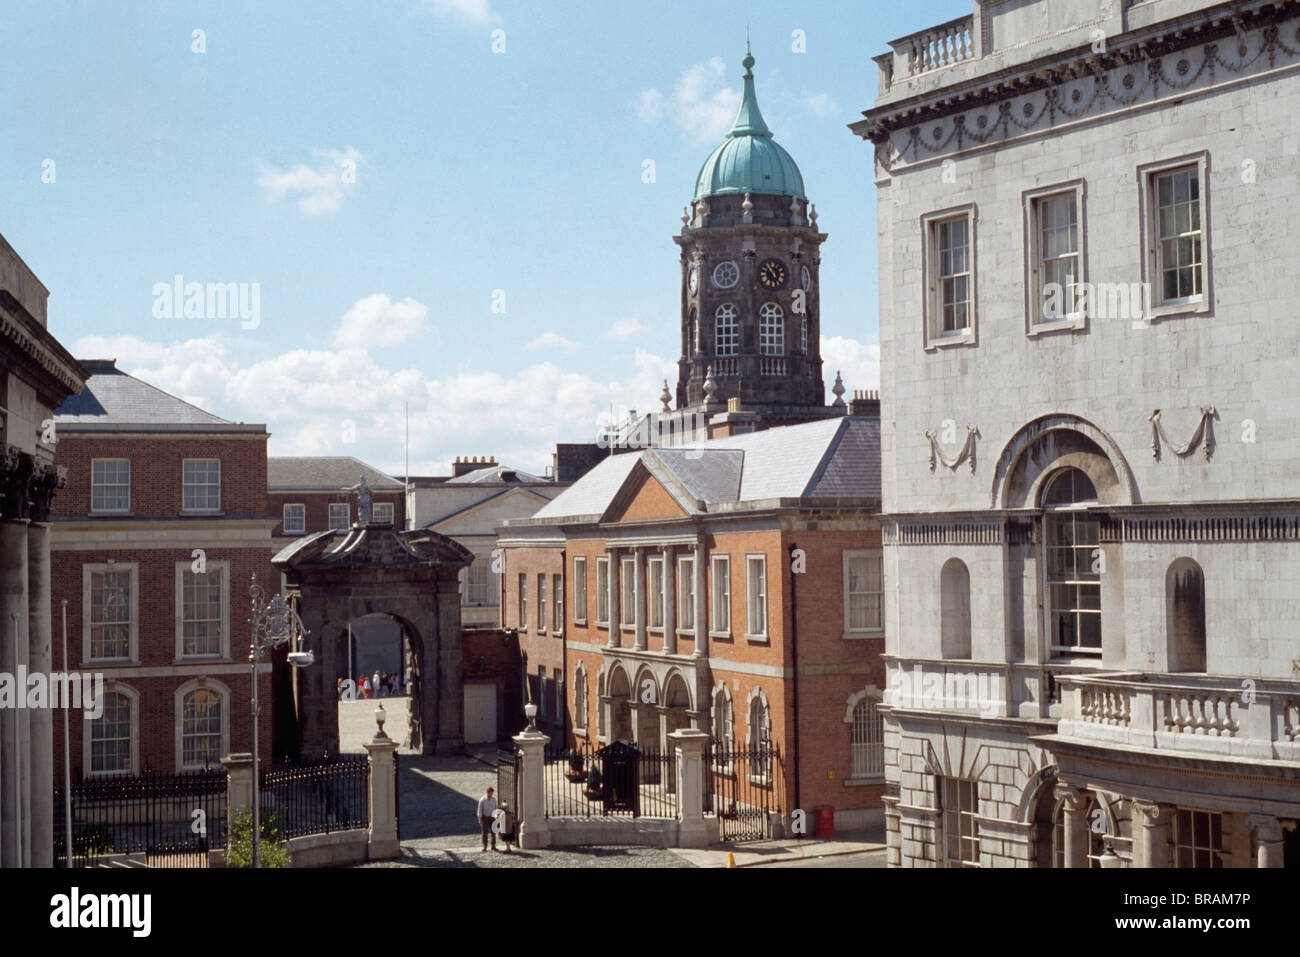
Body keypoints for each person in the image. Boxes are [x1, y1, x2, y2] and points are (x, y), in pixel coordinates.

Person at [477, 787, 498, 851]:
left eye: (492, 794)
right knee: (484, 832)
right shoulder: (482, 800)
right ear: (487, 792)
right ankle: (485, 846)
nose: (491, 795)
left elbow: (495, 808)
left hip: (492, 817)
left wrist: (496, 815)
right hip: (485, 817)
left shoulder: (494, 799)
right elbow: (479, 810)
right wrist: (480, 819)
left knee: (493, 832)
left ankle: (493, 846)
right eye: (490, 794)